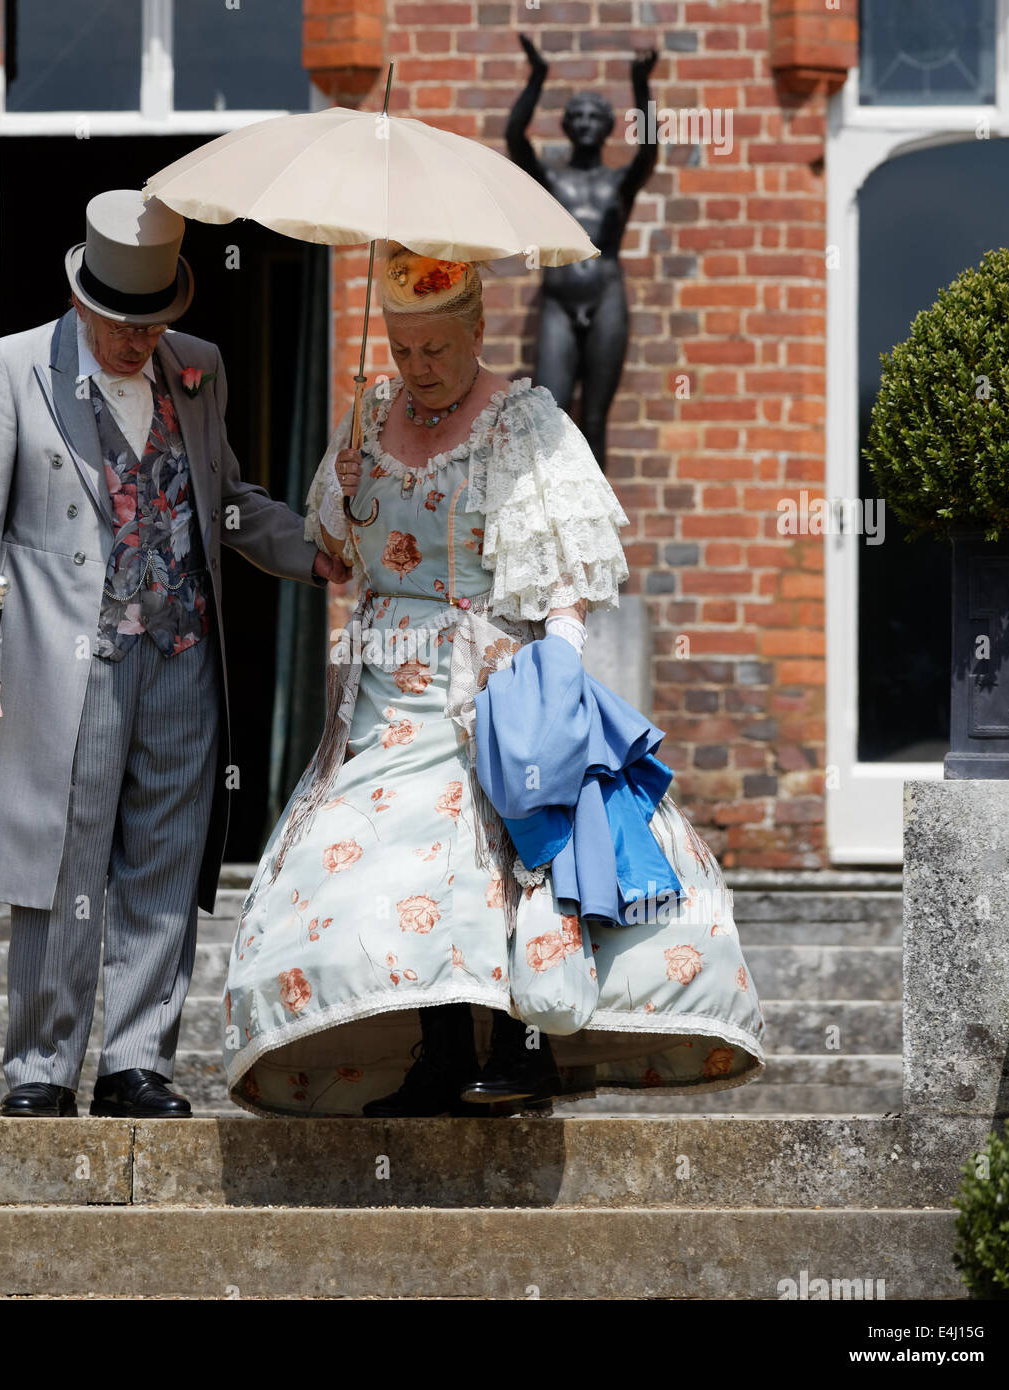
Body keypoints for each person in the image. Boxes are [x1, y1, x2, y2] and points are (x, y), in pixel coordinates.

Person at [220, 243, 765, 1117]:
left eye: (435, 348)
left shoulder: (523, 419)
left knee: (499, 858)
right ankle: (437, 1055)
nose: (418, 367)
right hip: (382, 690)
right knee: (393, 867)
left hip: (491, 683)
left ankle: (516, 1050)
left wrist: (559, 672)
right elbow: (339, 558)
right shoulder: (366, 417)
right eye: (402, 349)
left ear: (477, 329)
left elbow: (562, 575)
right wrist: (347, 495)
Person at [0, 189, 348, 1119]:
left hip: (182, 656)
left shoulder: (197, 369)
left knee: (166, 859)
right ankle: (41, 1069)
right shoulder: (11, 371)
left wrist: (312, 552)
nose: (138, 339)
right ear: (83, 297)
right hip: (65, 658)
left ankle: (135, 1062)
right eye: (122, 321)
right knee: (62, 861)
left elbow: (226, 498)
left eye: (154, 320)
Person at [506, 38, 660, 472]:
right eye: (578, 116)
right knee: (548, 414)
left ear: (609, 126)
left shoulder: (619, 185)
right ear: (567, 126)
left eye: (595, 116)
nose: (587, 122)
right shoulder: (551, 181)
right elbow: (515, 137)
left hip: (606, 297)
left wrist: (640, 84)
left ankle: (597, 529)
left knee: (594, 420)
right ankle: (545, 518)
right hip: (558, 302)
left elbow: (649, 151)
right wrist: (537, 76)